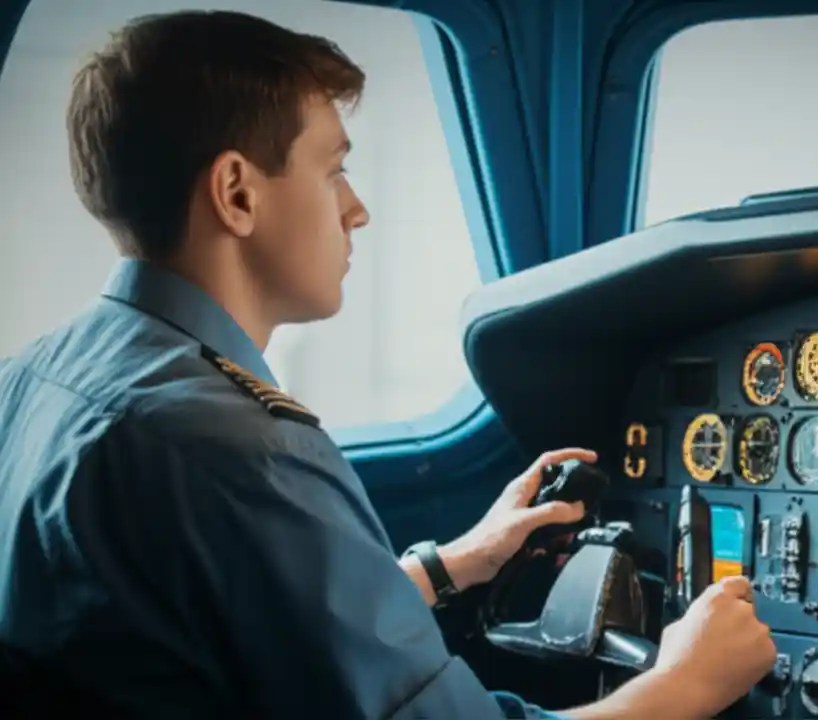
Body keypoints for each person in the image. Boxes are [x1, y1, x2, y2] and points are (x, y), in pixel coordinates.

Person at [0, 9, 776, 720]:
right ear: (237, 194)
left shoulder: (31, 379)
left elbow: (234, 626)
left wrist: (453, 565)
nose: (356, 209)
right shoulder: (240, 453)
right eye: (333, 169)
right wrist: (685, 683)